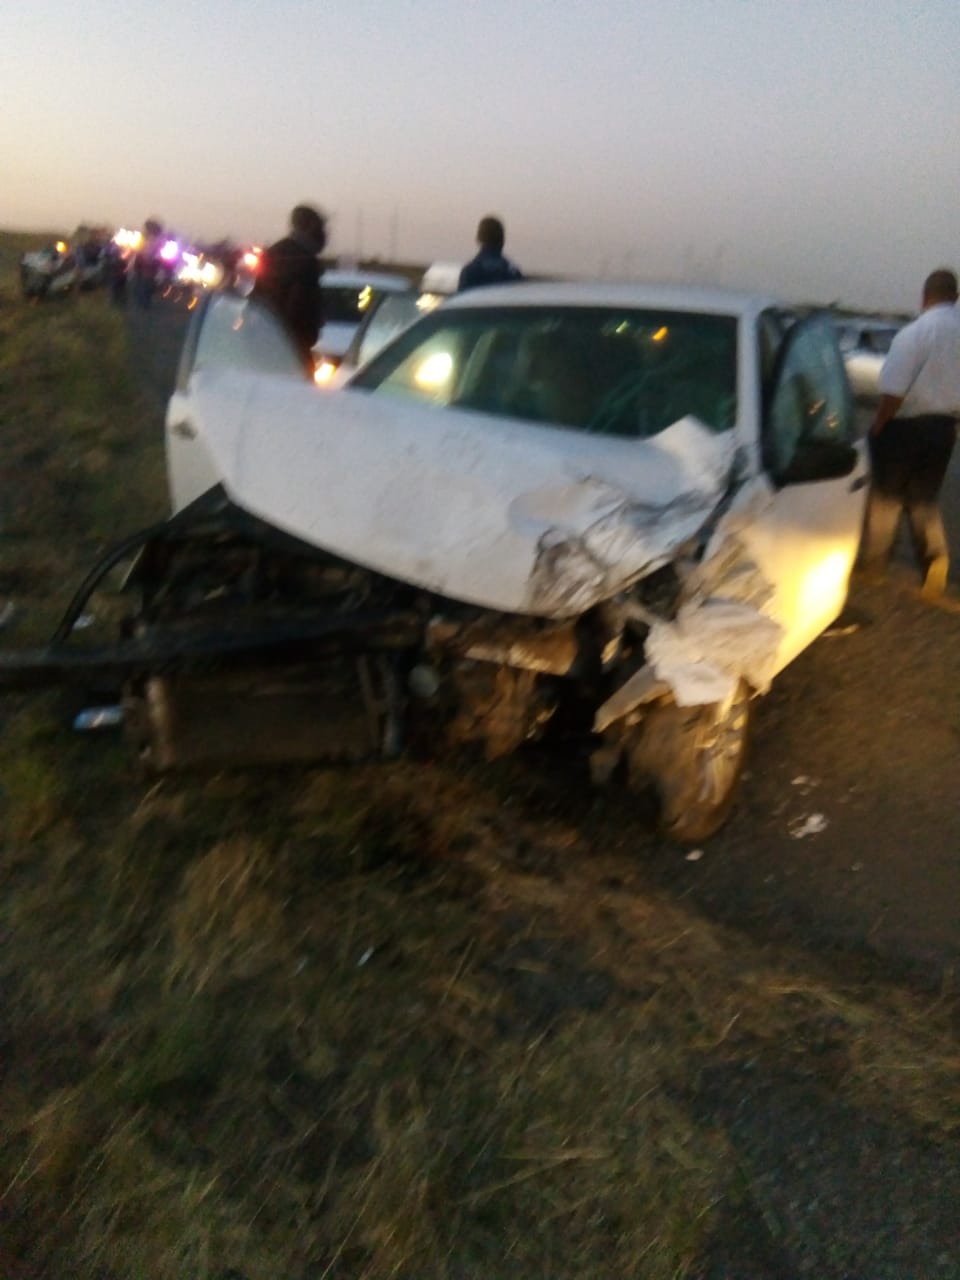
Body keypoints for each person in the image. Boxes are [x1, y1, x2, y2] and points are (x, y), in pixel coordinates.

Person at [862, 268, 960, 598]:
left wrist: (878, 425)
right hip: (944, 428)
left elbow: (893, 389)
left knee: (885, 497)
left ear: (925, 297)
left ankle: (875, 565)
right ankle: (935, 562)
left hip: (905, 426)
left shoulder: (914, 333)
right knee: (923, 499)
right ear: (955, 297)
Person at [251, 204, 328, 372]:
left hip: (262, 350)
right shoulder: (307, 265)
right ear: (308, 227)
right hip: (293, 355)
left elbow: (255, 301)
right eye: (319, 227)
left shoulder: (271, 254)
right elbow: (300, 312)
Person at [458, 216, 523, 292]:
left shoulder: (470, 271)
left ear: (479, 238)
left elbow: (462, 300)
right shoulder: (513, 272)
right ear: (502, 240)